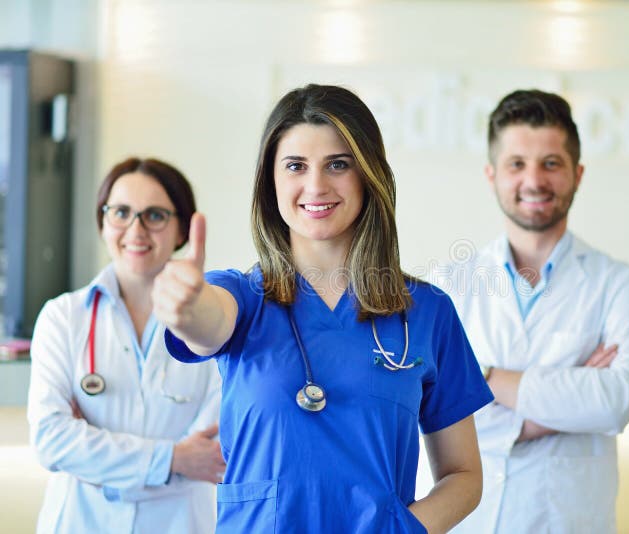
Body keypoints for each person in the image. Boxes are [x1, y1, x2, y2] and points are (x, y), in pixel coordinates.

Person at [153, 84, 494, 534]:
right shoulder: (240, 297)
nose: (316, 185)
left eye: (338, 164)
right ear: (271, 181)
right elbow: (208, 322)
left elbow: (463, 475)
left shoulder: (427, 312)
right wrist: (187, 308)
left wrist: (402, 529)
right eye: (295, 166)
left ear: (368, 175)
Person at [431, 89, 629, 533]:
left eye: (551, 163)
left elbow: (615, 402)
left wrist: (482, 378)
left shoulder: (621, 285)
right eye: (517, 164)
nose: (533, 180)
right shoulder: (447, 286)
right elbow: (431, 416)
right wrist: (571, 400)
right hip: (468, 521)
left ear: (578, 173)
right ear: (492, 174)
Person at [27, 157, 224, 534]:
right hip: (80, 522)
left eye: (154, 215)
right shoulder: (63, 317)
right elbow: (52, 441)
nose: (136, 229)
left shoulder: (211, 326)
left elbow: (209, 455)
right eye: (120, 213)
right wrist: (172, 459)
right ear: (103, 222)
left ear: (181, 228)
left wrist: (96, 461)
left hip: (178, 524)